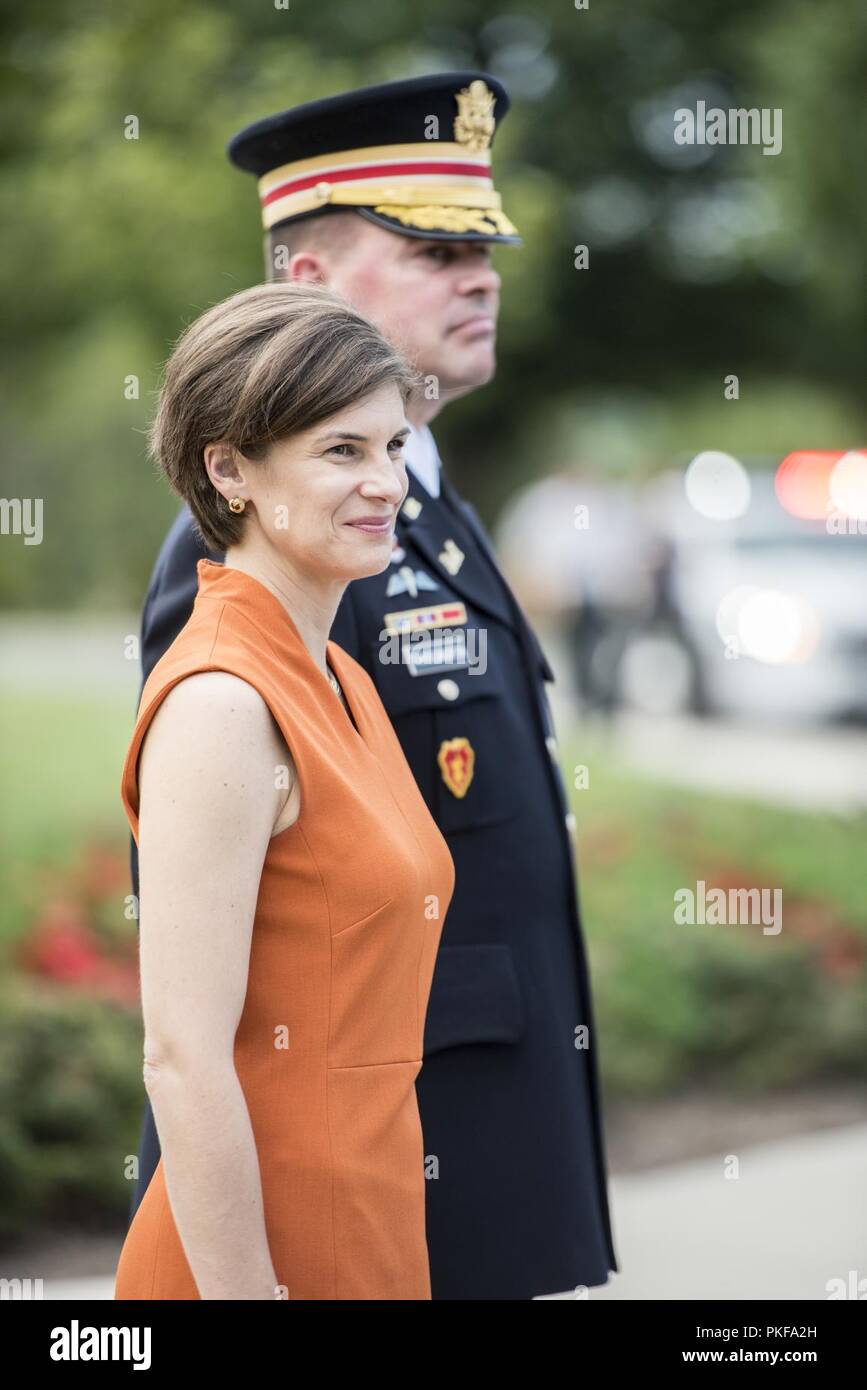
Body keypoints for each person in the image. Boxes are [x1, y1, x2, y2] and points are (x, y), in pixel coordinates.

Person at [129, 70, 619, 1300]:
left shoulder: (409, 518)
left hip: (427, 1131)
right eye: (433, 248)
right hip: (325, 1159)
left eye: (485, 250)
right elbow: (199, 1015)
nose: (483, 275)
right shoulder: (246, 566)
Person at [115, 281, 455, 1299]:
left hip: (370, 1205)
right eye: (340, 451)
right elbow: (180, 1055)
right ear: (229, 469)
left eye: (392, 447)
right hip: (263, 1246)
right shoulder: (223, 700)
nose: (386, 482)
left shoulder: (338, 675)